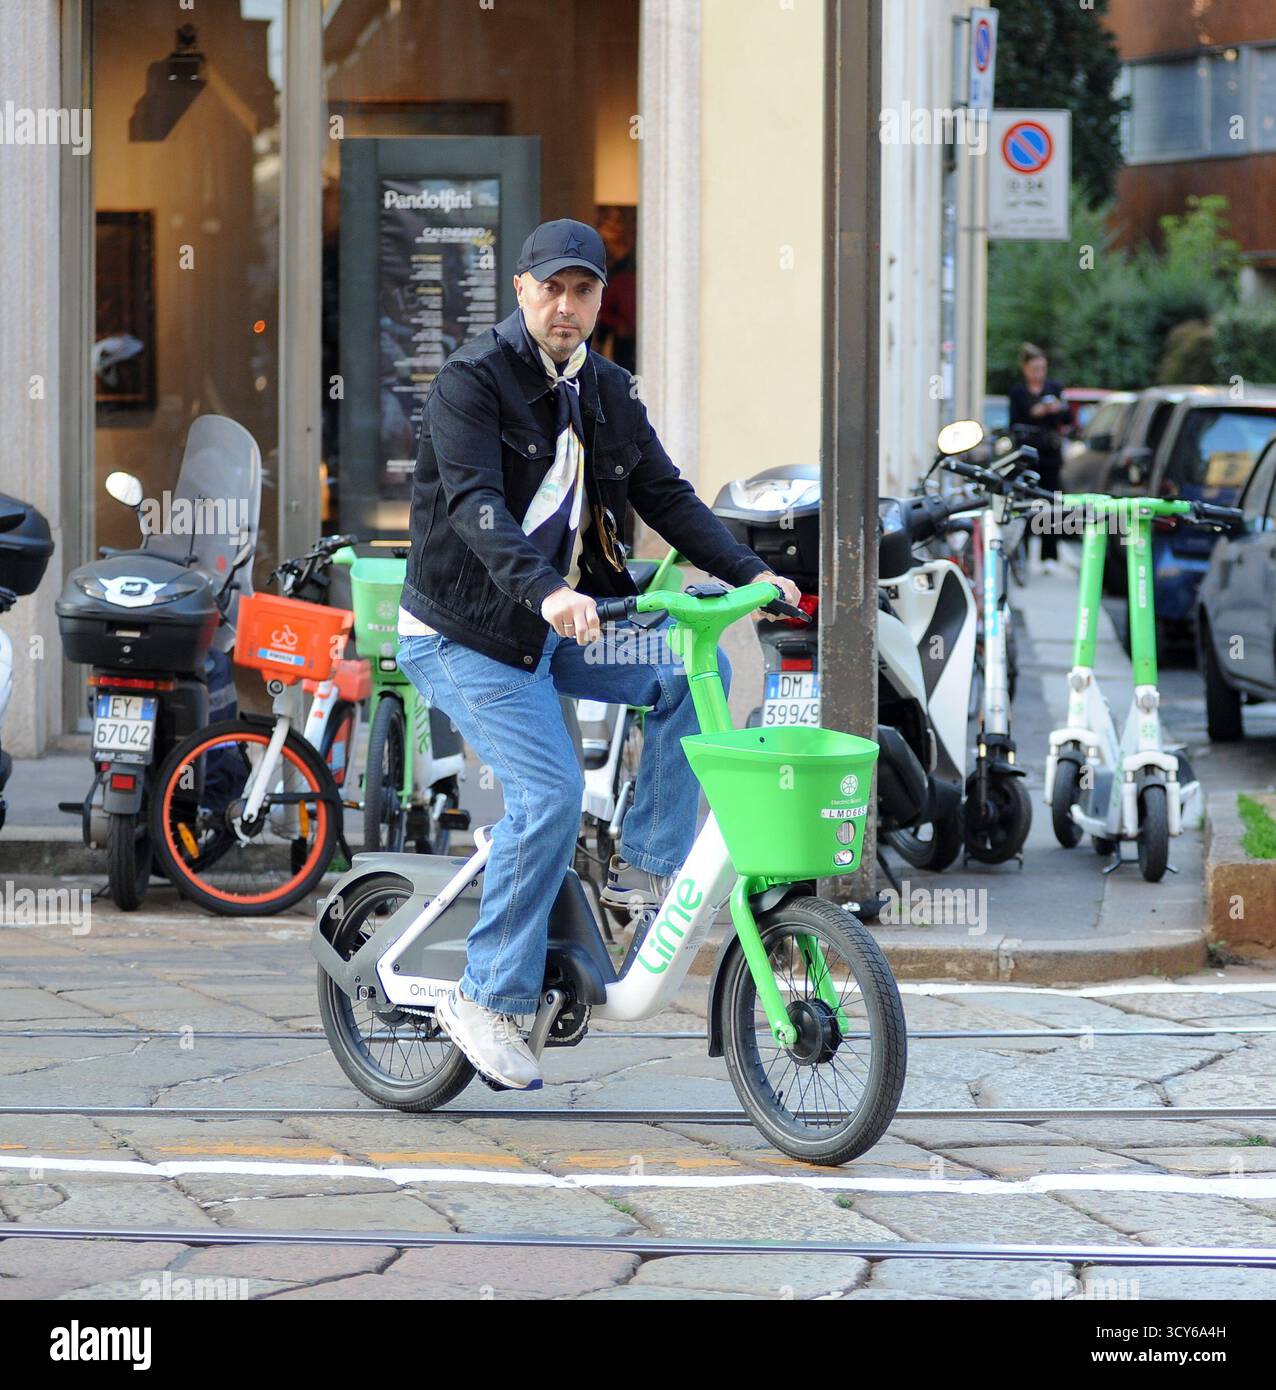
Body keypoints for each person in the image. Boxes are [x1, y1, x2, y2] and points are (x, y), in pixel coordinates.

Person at [395, 218, 798, 1090]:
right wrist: (549, 591)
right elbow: (474, 505)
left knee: (697, 671)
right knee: (551, 792)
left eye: (584, 291)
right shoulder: (471, 382)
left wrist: (756, 571)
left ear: (600, 300)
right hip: (471, 635)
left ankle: (642, 872)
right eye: (553, 288)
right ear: (522, 290)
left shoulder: (607, 390)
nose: (566, 305)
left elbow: (668, 495)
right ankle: (486, 995)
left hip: (566, 623)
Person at [1008, 343, 1070, 570]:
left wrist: (1055, 410)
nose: (1039, 374)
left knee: (1051, 503)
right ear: (1025, 369)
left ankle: (1049, 556)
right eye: (1034, 369)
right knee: (1023, 503)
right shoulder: (1018, 392)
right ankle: (1020, 554)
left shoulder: (1054, 387)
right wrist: (1034, 413)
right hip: (1026, 454)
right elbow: (1012, 423)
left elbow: (1067, 418)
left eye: (1042, 368)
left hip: (1050, 454)